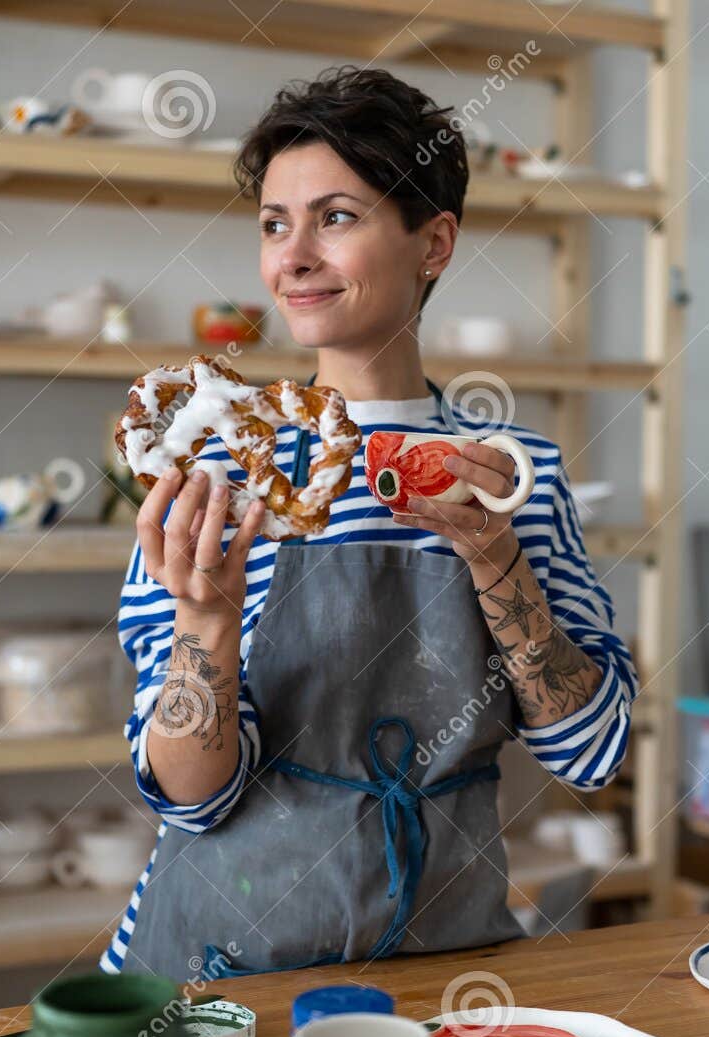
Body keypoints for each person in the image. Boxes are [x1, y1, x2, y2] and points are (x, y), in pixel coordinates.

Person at [101, 66, 636, 978]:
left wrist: (495, 558)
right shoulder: (218, 476)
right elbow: (190, 801)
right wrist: (206, 623)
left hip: (441, 961)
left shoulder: (510, 477)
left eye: (336, 217)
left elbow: (593, 756)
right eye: (275, 223)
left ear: (434, 242)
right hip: (225, 967)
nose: (292, 257)